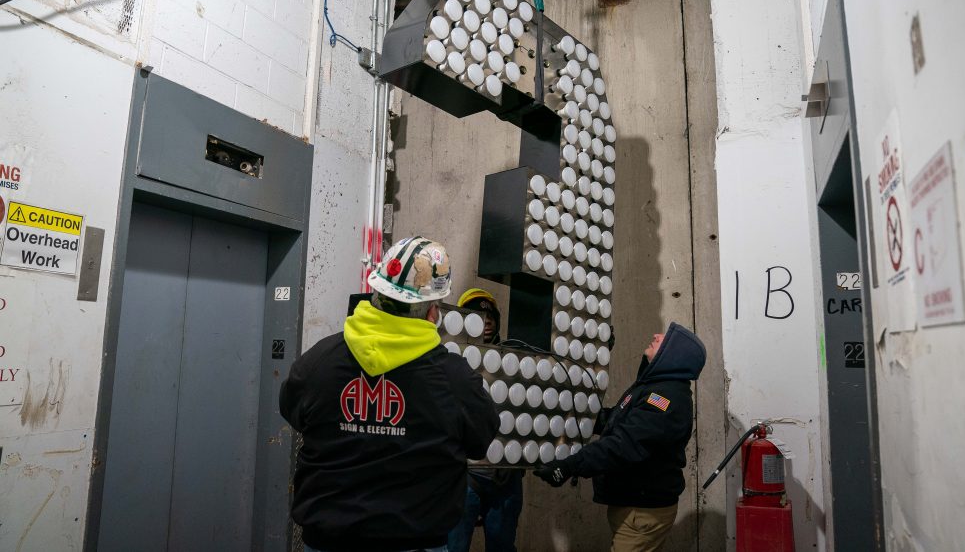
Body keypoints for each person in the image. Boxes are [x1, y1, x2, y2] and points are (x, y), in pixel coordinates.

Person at [280, 236, 500, 552]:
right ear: (433, 312)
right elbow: (480, 439)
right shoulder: (456, 380)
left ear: (376, 294)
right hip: (416, 544)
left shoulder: (318, 362)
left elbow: (292, 411)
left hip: (326, 542)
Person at [535, 322, 706, 552]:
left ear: (675, 355)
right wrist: (579, 418)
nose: (656, 335)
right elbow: (617, 420)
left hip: (642, 511)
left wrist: (569, 466)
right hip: (636, 506)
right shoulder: (652, 387)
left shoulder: (665, 399)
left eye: (665, 339)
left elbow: (624, 445)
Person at [448, 288, 524, 552]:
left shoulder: (515, 362)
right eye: (478, 314)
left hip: (505, 475)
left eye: (491, 315)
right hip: (464, 476)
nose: (487, 320)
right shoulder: (451, 361)